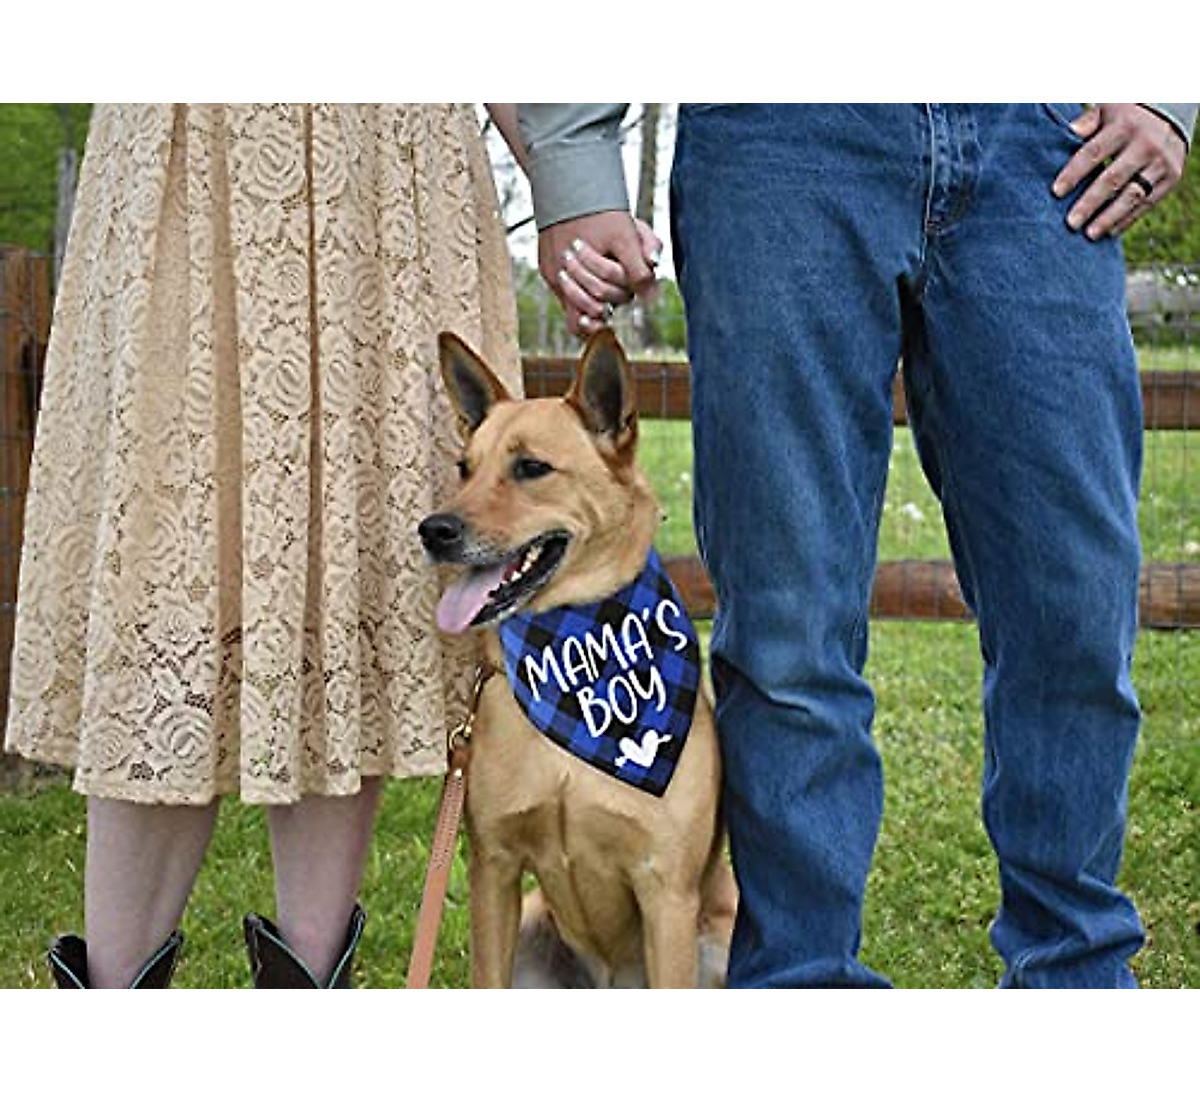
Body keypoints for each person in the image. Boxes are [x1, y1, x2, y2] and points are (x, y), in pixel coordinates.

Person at [513, 102, 1196, 988]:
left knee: (1076, 608)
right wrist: (575, 161)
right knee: (788, 631)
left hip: (1044, 136)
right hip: (777, 133)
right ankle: (803, 991)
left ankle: (1075, 982)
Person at [4, 104, 523, 987]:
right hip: (193, 143)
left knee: (341, 557)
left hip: (381, 157)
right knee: (168, 557)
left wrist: (576, 186)